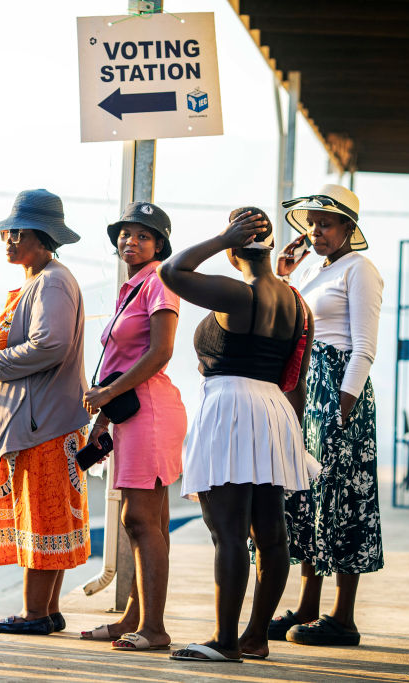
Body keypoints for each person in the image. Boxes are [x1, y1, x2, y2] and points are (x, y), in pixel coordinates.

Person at [159, 207, 319, 662]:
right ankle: (256, 636)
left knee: (228, 533)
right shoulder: (293, 301)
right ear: (270, 248)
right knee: (271, 534)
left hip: (231, 409)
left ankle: (224, 641)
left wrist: (219, 236)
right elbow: (297, 378)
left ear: (233, 250)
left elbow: (173, 270)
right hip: (276, 412)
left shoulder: (238, 292)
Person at [0, 189, 91, 636]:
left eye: (19, 233)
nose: (9, 239)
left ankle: (35, 615)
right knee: (49, 520)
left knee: (42, 519)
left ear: (45, 237)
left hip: (44, 426)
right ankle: (48, 610)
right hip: (46, 421)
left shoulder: (52, 281)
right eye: (8, 232)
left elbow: (50, 344)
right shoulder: (44, 279)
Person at [269, 184, 384, 647]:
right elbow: (286, 321)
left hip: (339, 397)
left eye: (327, 222)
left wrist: (342, 410)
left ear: (348, 228)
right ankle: (309, 606)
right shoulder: (316, 271)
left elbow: (364, 348)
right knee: (308, 500)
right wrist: (283, 275)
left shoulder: (361, 270)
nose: (316, 230)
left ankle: (343, 618)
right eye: (312, 222)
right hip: (308, 392)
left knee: (342, 501)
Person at [79, 202, 186, 651]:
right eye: (125, 233)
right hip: (130, 411)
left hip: (151, 410)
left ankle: (154, 628)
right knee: (150, 521)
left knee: (140, 519)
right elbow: (120, 359)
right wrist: (104, 417)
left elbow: (160, 353)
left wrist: (104, 396)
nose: (131, 241)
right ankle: (133, 619)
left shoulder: (159, 279)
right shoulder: (130, 287)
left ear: (159, 245)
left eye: (143, 235)